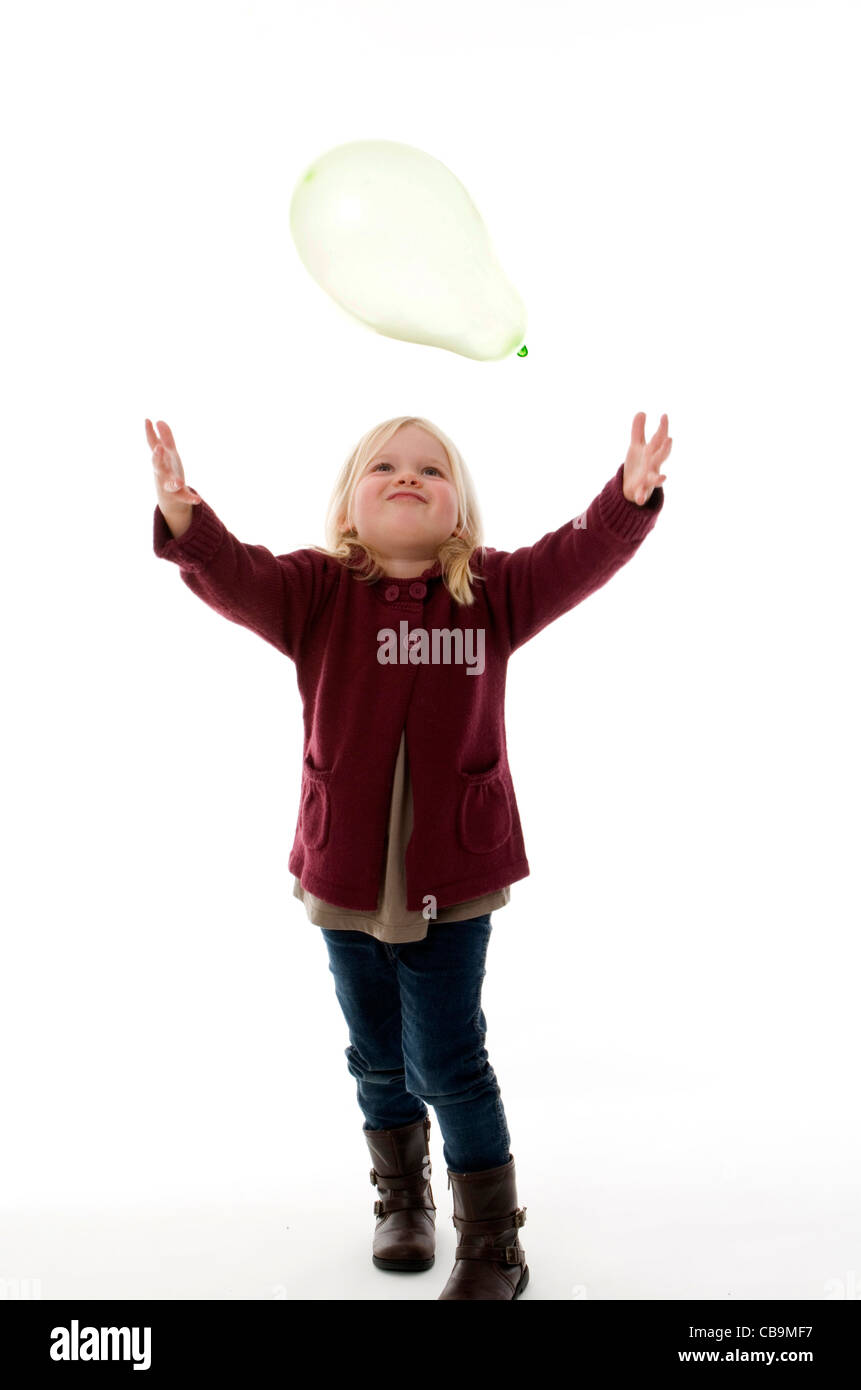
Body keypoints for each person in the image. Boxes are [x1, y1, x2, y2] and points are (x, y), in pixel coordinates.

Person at [147, 410, 671, 1300]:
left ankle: (493, 1244)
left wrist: (624, 500)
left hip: (451, 879)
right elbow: (236, 578)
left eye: (431, 470)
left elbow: (573, 558)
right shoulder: (313, 593)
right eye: (384, 466)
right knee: (376, 1056)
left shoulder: (491, 593)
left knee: (447, 1062)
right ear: (348, 508)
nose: (407, 477)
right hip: (344, 872)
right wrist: (188, 521)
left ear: (459, 512)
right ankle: (402, 1198)